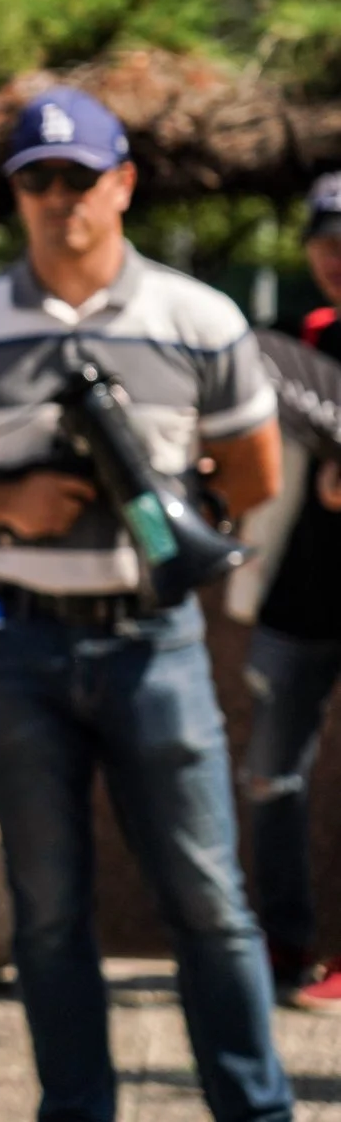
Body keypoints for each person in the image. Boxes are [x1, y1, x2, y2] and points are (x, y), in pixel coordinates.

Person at [0, 86, 290, 1122]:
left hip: (155, 639)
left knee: (210, 904)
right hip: (16, 642)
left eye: (80, 178)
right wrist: (0, 500)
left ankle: (257, 1110)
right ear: (15, 196)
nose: (60, 199)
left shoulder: (199, 316)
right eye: (36, 181)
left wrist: (165, 512)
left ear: (124, 184)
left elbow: (256, 472)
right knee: (49, 913)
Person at [244, 171, 341, 1012]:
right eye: (326, 238)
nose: (337, 255)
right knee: (273, 778)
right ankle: (283, 944)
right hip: (297, 598)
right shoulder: (291, 342)